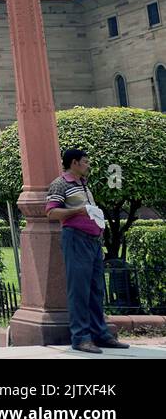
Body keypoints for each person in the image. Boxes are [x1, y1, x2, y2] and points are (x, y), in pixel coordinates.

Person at [46, 148, 129, 353]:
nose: (88, 164)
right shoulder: (61, 183)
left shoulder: (83, 184)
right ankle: (81, 337)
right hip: (76, 239)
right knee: (79, 290)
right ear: (74, 163)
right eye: (85, 161)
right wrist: (77, 211)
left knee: (96, 289)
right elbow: (51, 212)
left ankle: (99, 334)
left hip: (92, 241)